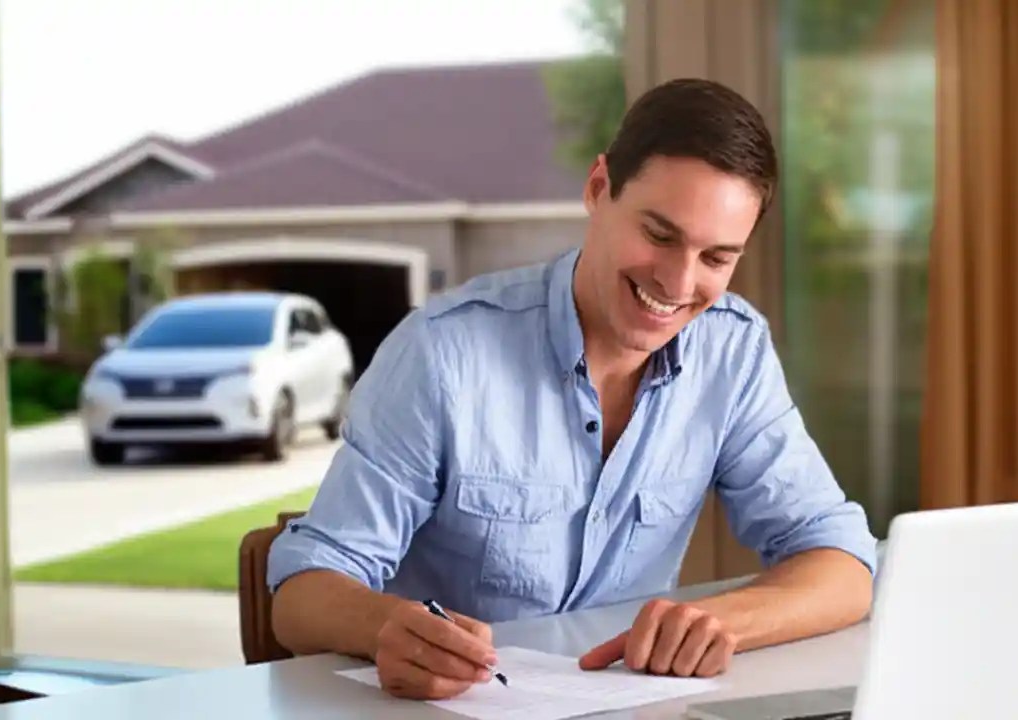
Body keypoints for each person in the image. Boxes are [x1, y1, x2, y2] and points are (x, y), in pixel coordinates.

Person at [266, 77, 877, 701]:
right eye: (659, 235)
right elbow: (301, 592)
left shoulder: (732, 352)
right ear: (598, 188)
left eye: (716, 259)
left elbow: (845, 563)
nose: (677, 283)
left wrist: (721, 622)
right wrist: (383, 628)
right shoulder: (443, 353)